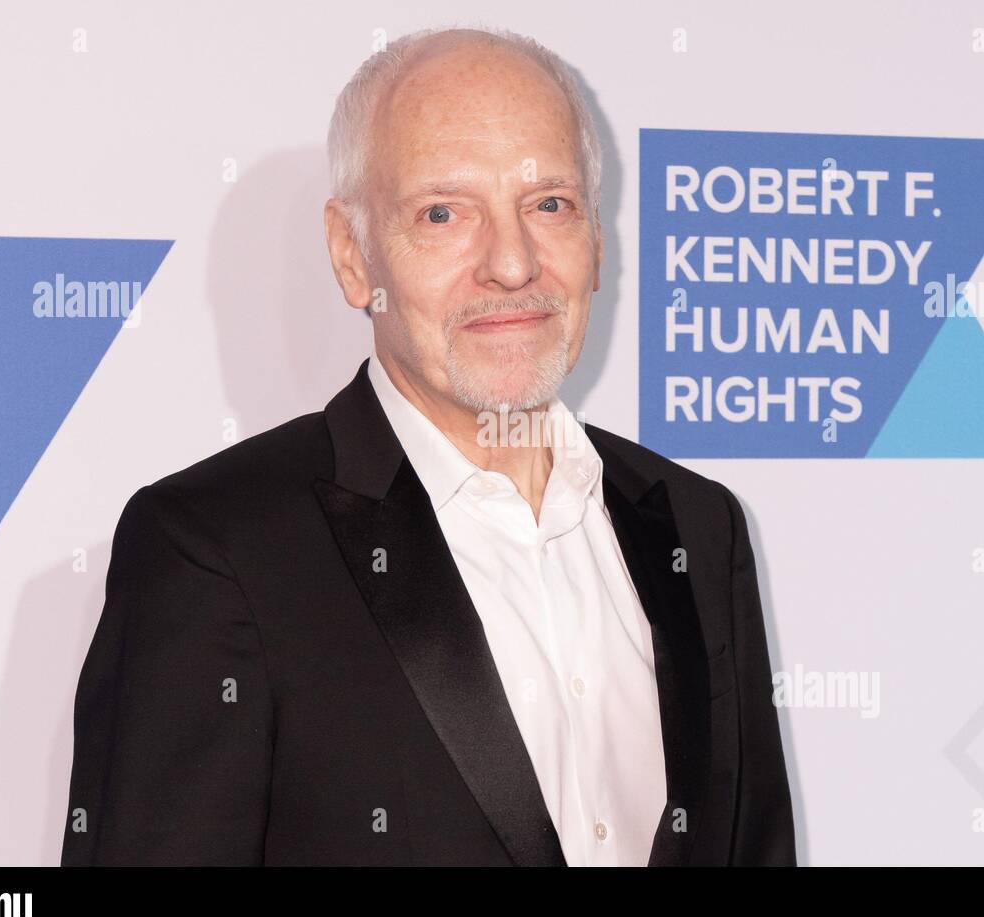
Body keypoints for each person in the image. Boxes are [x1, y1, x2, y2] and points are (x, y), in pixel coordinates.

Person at [61, 24, 795, 866]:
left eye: (548, 204)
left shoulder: (699, 526)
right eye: (443, 213)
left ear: (598, 236)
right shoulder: (215, 547)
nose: (512, 265)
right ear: (352, 255)